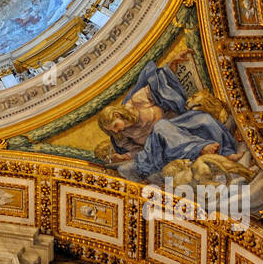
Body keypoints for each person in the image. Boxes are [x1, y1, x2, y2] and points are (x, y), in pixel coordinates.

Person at [96, 62, 238, 181]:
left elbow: (161, 85)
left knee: (202, 118)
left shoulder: (137, 101)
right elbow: (139, 152)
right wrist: (123, 156)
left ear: (117, 114)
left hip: (178, 125)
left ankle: (226, 152)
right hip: (161, 147)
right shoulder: (123, 136)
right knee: (161, 126)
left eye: (115, 125)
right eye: (112, 130)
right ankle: (200, 148)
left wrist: (172, 66)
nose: (116, 131)